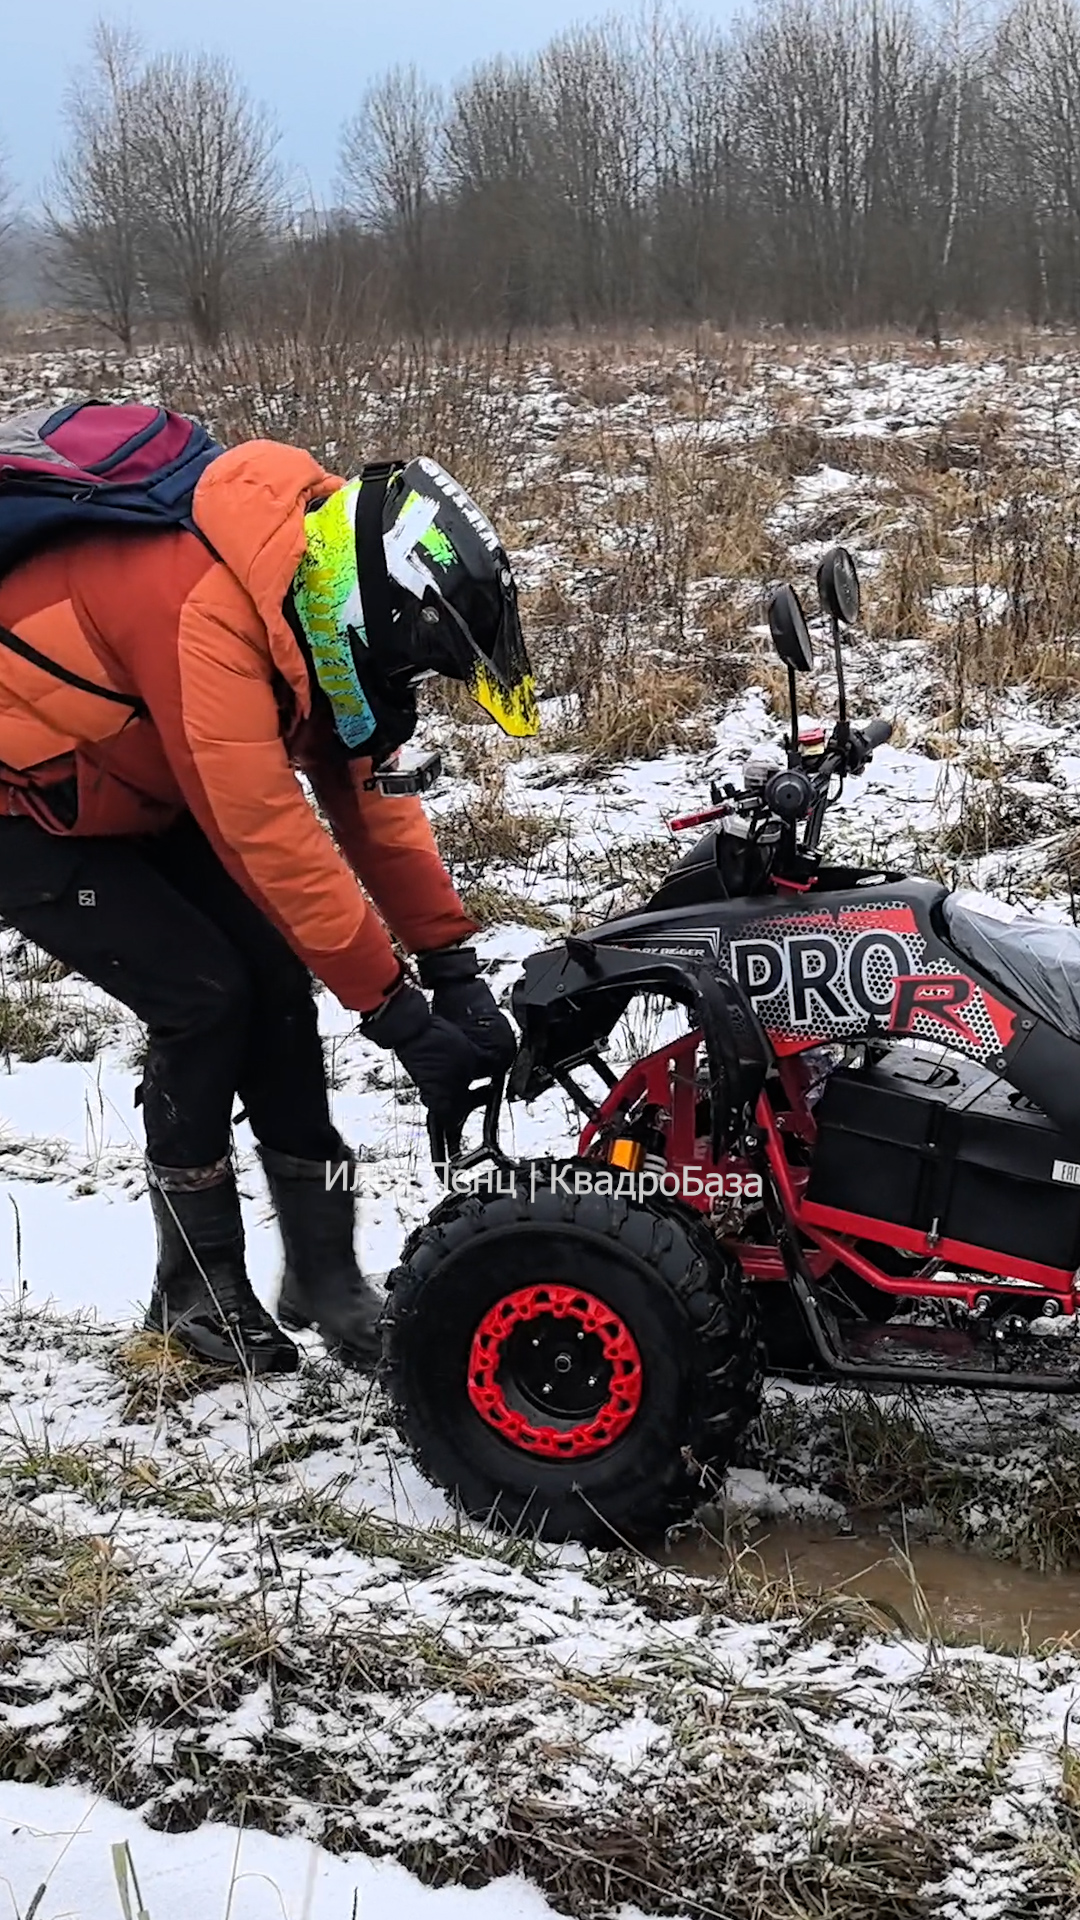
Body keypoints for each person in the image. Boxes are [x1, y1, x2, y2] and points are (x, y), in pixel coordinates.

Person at [0, 443, 539, 1375]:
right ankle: (194, 1298)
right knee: (205, 997)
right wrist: (398, 1014)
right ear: (371, 612)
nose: (403, 683)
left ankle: (325, 1278)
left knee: (280, 986)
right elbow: (270, 834)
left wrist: (452, 969)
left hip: (130, 774)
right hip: (20, 804)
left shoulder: (313, 592)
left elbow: (370, 799)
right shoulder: (200, 609)